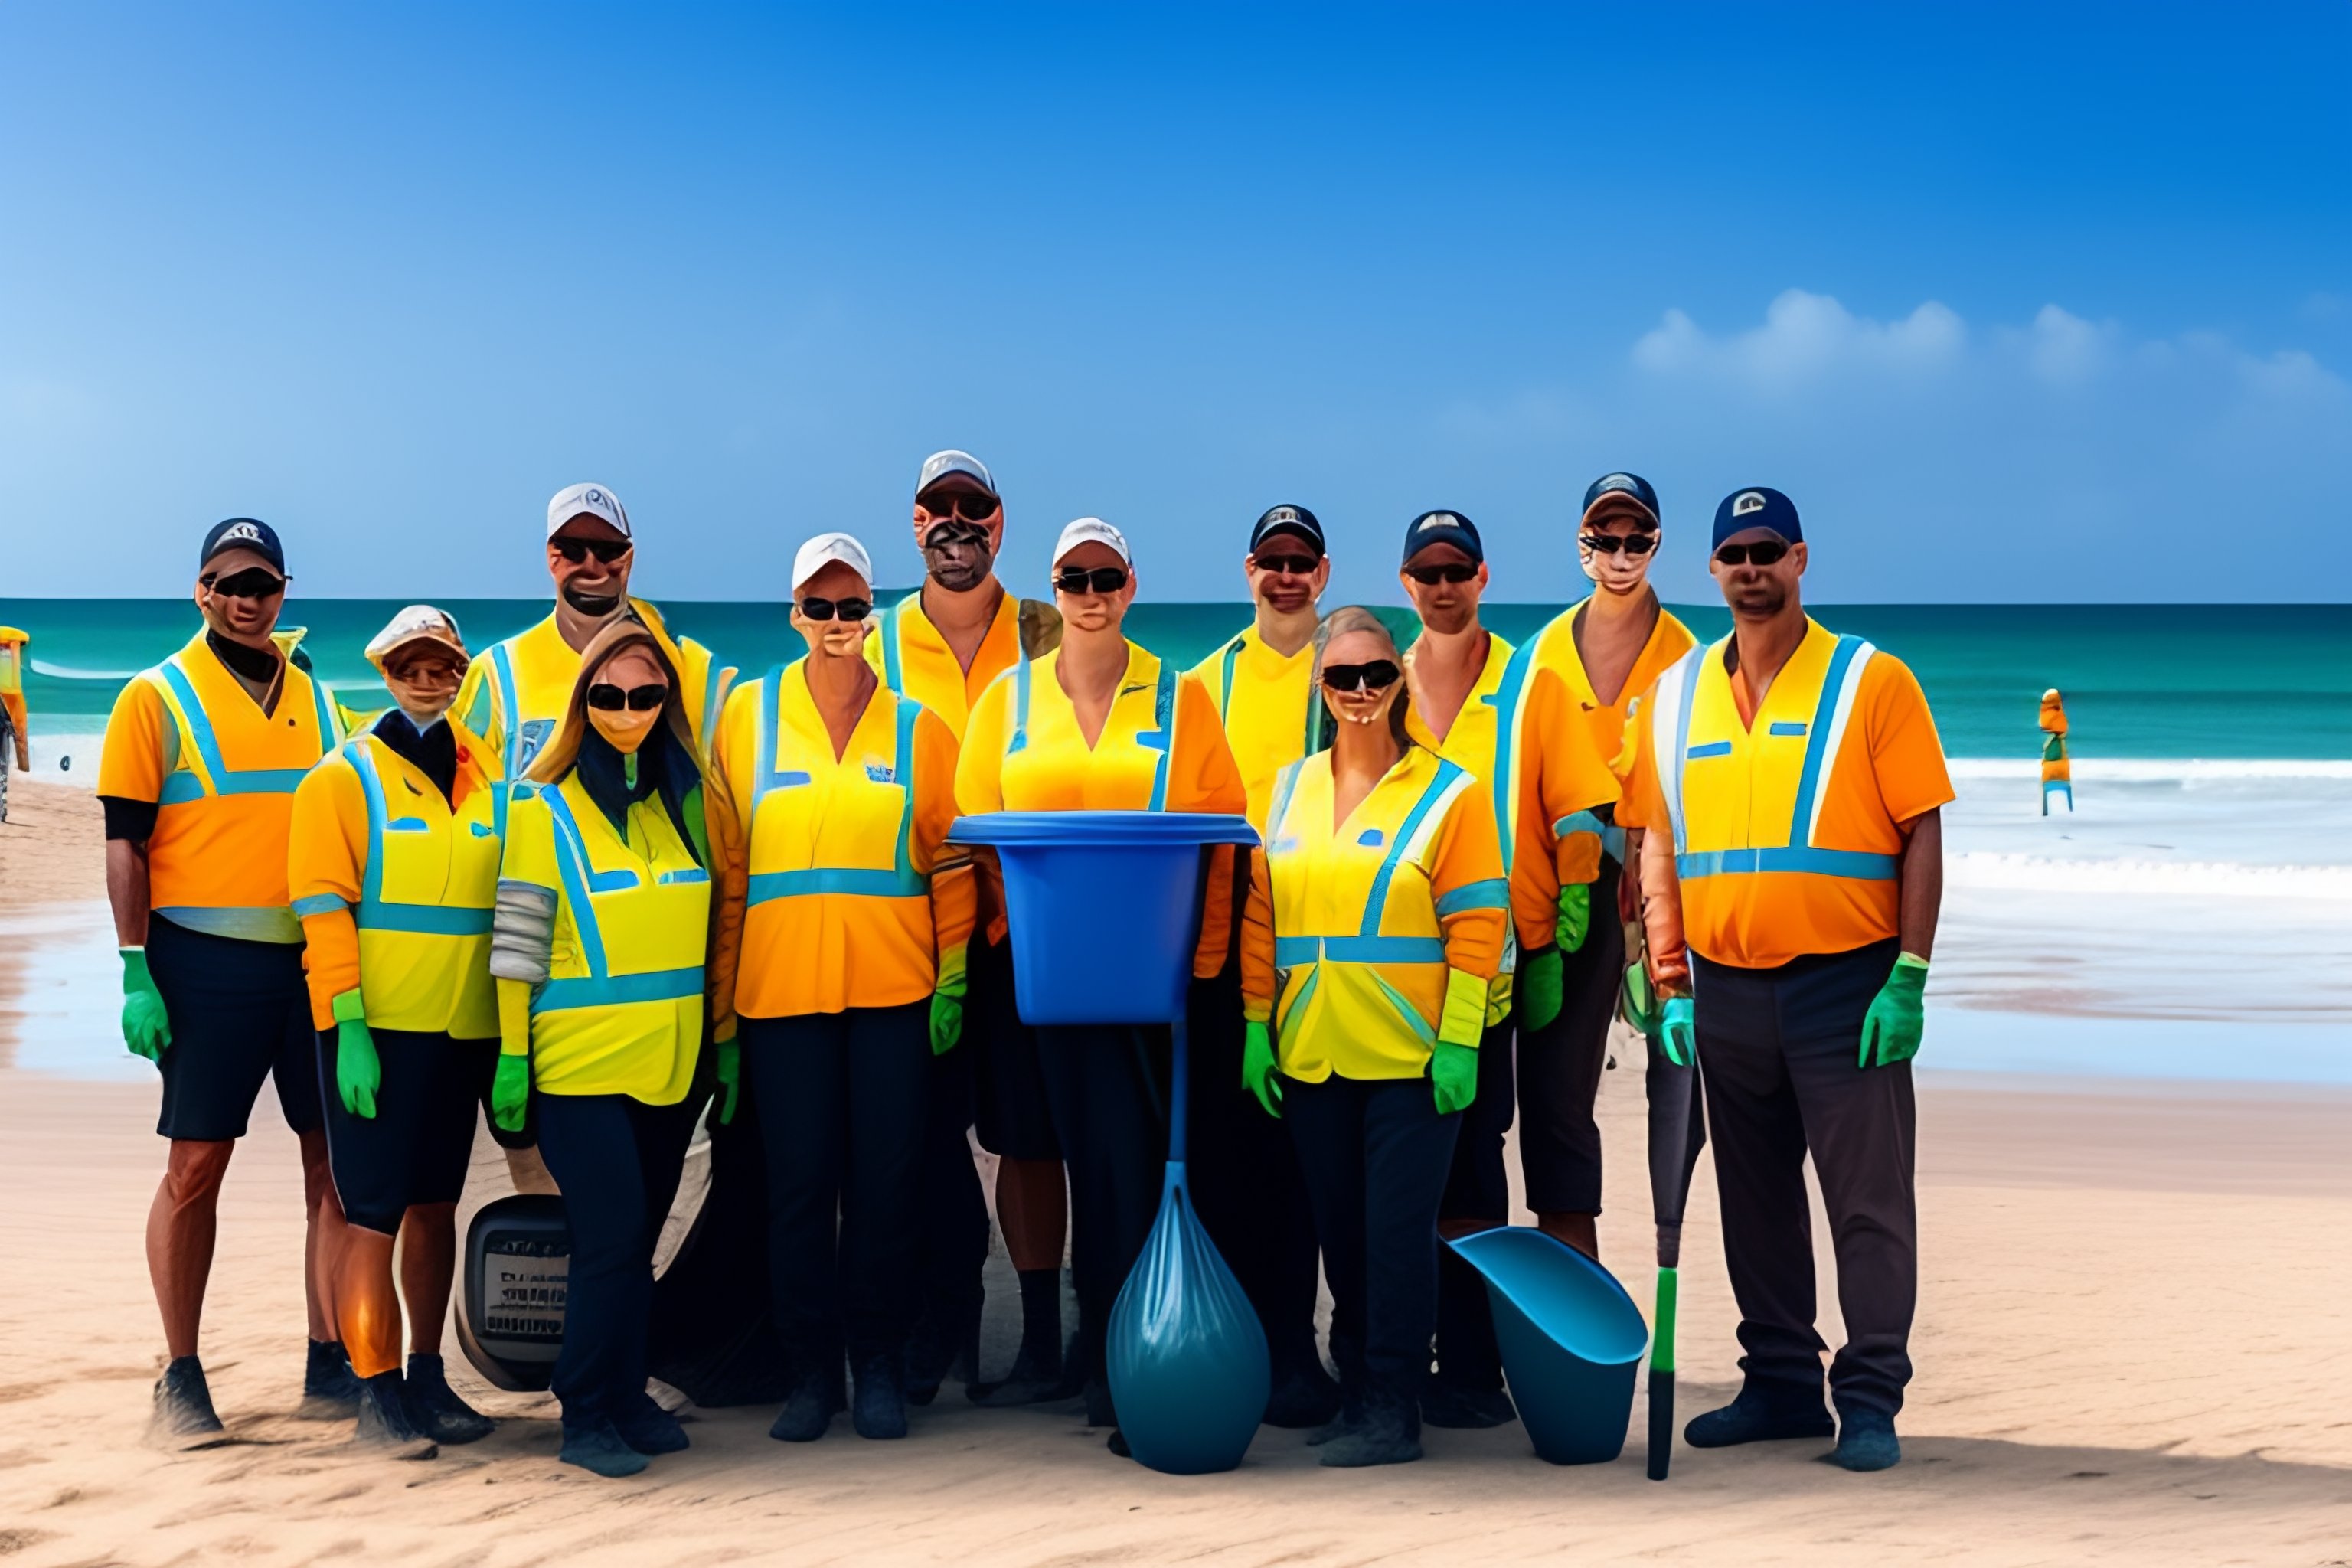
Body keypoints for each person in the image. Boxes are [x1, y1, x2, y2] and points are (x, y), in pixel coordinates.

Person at [1617, 485, 1952, 1473]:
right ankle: (1779, 1386)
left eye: (1768, 550)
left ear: (1800, 558)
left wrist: (1911, 975)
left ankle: (1871, 1395)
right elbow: (1655, 847)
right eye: (1734, 554)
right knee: (1753, 1196)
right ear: (1712, 570)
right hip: (1722, 990)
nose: (1751, 568)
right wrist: (1666, 978)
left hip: (1847, 987)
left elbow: (1922, 830)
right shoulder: (1674, 696)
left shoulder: (1871, 680)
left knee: (1866, 1200)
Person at [956, 517, 1246, 1454]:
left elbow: (1222, 835)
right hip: (1039, 972)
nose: (1090, 592)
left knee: (1126, 1175)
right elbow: (971, 829)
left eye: (1106, 576)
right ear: (1055, 586)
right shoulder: (1006, 699)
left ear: (1131, 586)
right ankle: (1050, 1346)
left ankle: (1123, 1366)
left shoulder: (1182, 694)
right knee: (1037, 1150)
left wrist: (1203, 965)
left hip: (1145, 982)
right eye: (1074, 577)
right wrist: (1005, 930)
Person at [707, 533, 976, 1443]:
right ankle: (810, 1374)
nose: (835, 623)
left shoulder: (918, 728)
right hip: (778, 999)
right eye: (817, 607)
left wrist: (951, 978)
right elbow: (730, 869)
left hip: (893, 997)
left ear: (873, 615)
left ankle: (880, 1370)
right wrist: (723, 1020)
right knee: (796, 1190)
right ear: (794, 615)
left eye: (852, 607)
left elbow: (951, 865)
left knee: (886, 1189)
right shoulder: (744, 717)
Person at [97, 518, 354, 1437]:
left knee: (331, 1167)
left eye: (264, 583)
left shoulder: (323, 702)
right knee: (197, 1165)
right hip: (201, 961)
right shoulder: (152, 697)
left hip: (311, 961)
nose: (248, 599)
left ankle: (330, 1358)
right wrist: (135, 969)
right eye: (229, 582)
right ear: (201, 591)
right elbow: (125, 841)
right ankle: (179, 1372)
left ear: (284, 590)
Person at [1239, 606, 1508, 1468]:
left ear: (1399, 680)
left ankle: (1393, 1408)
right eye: (1342, 676)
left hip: (1411, 1058)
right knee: (1341, 1236)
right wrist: (1254, 1024)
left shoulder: (1451, 793)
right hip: (1312, 1050)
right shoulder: (1283, 789)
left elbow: (1478, 923)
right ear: (1320, 686)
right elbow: (1259, 919)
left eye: (1376, 674)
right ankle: (1356, 1394)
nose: (1359, 692)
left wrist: (1461, 1039)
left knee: (1396, 1238)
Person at [453, 483, 730, 1188]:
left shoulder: (685, 670)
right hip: (521, 982)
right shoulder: (497, 675)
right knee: (543, 1200)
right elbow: (456, 821)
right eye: (571, 550)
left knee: (635, 1221)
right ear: (550, 559)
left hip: (657, 1004)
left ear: (630, 559)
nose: (590, 564)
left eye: (605, 550)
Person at [486, 617, 712, 1478]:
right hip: (579, 1063)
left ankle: (625, 1389)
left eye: (645, 695)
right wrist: (512, 1056)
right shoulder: (540, 805)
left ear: (667, 702)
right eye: (609, 695)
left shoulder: (682, 801)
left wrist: (717, 1045)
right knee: (610, 1236)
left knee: (638, 1240)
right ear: (584, 700)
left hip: (670, 1062)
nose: (628, 709)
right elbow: (517, 939)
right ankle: (583, 1410)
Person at [866, 450, 1067, 1406]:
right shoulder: (869, 639)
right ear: (914, 524)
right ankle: (932, 1331)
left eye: (972, 507)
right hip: (912, 933)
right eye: (936, 507)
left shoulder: (1048, 628)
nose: (955, 521)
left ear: (998, 521)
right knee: (918, 1140)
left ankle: (1037, 1338)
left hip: (1025, 929)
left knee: (1030, 1139)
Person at [287, 606, 501, 1452]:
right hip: (376, 1031)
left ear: (459, 671)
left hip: (461, 1033)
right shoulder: (343, 777)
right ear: (384, 669)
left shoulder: (488, 776)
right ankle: (374, 1393)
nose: (426, 676)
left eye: (441, 663)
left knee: (434, 1207)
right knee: (370, 1211)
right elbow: (321, 906)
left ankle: (424, 1373)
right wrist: (348, 1026)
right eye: (410, 663)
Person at [1500, 472, 1695, 1261]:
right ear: (1581, 546)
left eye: (1635, 540)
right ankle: (1558, 1275)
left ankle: (1643, 1256)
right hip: (1567, 899)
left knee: (1677, 1101)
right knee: (1552, 1095)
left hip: (1658, 902)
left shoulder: (1690, 655)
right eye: (1603, 540)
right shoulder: (1540, 654)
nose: (1619, 554)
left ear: (1655, 546)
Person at [1181, 503, 1341, 1427]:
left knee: (1301, 1165)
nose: (1286, 575)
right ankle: (1231, 1349)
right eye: (1272, 560)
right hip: (1217, 949)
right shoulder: (1205, 685)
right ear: (1249, 569)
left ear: (1323, 572)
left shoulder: (1351, 671)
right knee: (1223, 1162)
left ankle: (1296, 1350)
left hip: (1319, 951)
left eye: (1302, 561)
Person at [1393, 511, 1522, 1430]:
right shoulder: (1373, 679)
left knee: (1476, 1177)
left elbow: (1576, 815)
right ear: (1407, 582)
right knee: (1407, 1186)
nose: (1444, 587)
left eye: (1459, 570)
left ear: (1483, 576)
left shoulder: (1528, 681)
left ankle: (1476, 1365)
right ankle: (1405, 1350)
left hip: (1492, 982)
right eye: (1427, 572)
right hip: (1392, 988)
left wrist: (1565, 939)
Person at [0, 624, 29, 822]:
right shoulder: (10, 682)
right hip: (4, 724)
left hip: (4, 723)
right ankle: (1, 805)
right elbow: (17, 708)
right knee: (2, 766)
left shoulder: (9, 684)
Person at [2039, 689, 2073, 814]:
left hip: (2051, 768)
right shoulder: (2060, 735)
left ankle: (2045, 810)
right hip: (2061, 769)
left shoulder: (2052, 736)